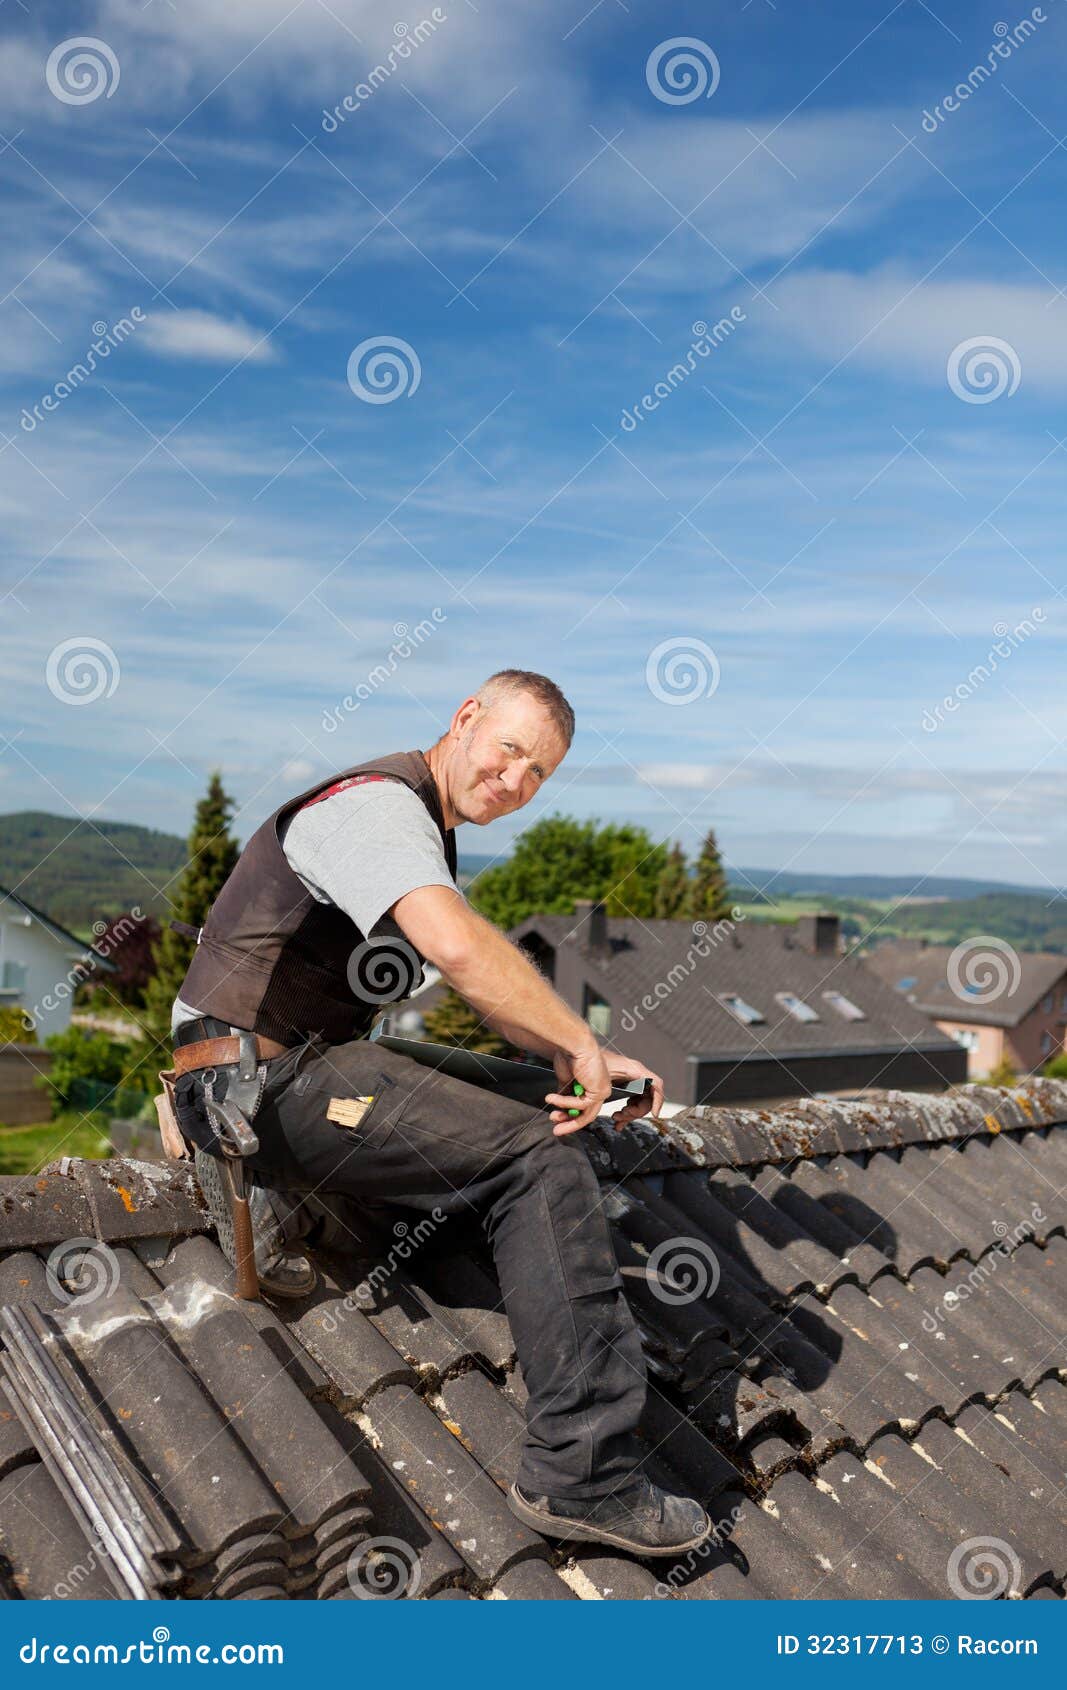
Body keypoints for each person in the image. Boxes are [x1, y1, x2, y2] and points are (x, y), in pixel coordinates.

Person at [170, 669, 709, 1556]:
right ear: (465, 719)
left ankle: (536, 1271)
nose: (516, 782)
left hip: (314, 1064)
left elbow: (494, 998)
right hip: (256, 1091)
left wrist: (585, 1061)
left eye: (539, 773)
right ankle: (583, 1477)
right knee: (541, 1153)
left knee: (558, 1101)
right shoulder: (375, 807)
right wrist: (576, 1033)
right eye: (509, 749)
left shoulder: (422, 822)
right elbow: (458, 950)